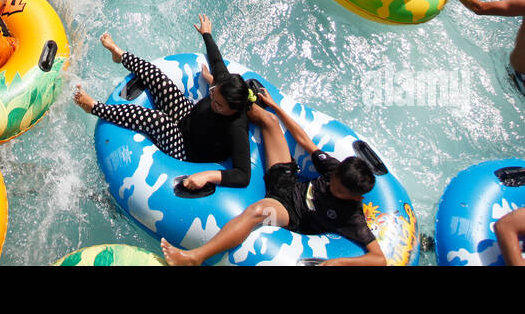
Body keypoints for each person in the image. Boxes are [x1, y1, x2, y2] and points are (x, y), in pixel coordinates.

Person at [161, 85, 385, 266]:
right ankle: (219, 97)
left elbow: (379, 259)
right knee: (269, 121)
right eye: (333, 181)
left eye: (336, 190)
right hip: (287, 179)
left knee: (257, 212)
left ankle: (195, 257)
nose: (331, 185)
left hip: (289, 211)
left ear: (355, 197)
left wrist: (339, 263)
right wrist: (275, 107)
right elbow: (305, 140)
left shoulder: (351, 218)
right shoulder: (336, 170)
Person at [73, 16, 256, 190]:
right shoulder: (224, 84)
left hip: (185, 149)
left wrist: (208, 176)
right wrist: (206, 34)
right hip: (186, 115)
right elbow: (217, 61)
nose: (213, 100)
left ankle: (95, 108)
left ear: (232, 110)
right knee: (158, 78)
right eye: (212, 94)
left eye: (218, 105)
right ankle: (120, 55)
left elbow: (243, 175)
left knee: (158, 120)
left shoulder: (236, 127)